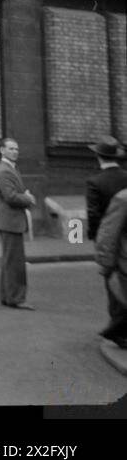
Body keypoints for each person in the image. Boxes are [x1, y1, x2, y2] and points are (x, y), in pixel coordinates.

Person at [85, 136, 127, 346]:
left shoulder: (95, 182)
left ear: (98, 157)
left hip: (109, 238)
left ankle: (117, 329)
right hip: (125, 238)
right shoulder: (126, 177)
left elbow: (93, 215)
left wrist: (91, 237)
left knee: (112, 282)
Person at [0, 137, 37, 310]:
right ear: (2, 150)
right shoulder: (5, 171)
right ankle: (16, 298)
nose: (15, 152)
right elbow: (10, 197)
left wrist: (23, 194)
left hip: (9, 221)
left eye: (17, 149)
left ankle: (7, 296)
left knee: (9, 261)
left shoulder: (9, 168)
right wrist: (27, 198)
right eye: (11, 149)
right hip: (10, 221)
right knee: (15, 263)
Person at [94, 188, 127, 349]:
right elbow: (108, 232)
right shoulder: (123, 199)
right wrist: (106, 264)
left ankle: (116, 331)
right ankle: (117, 334)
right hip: (124, 263)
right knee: (121, 302)